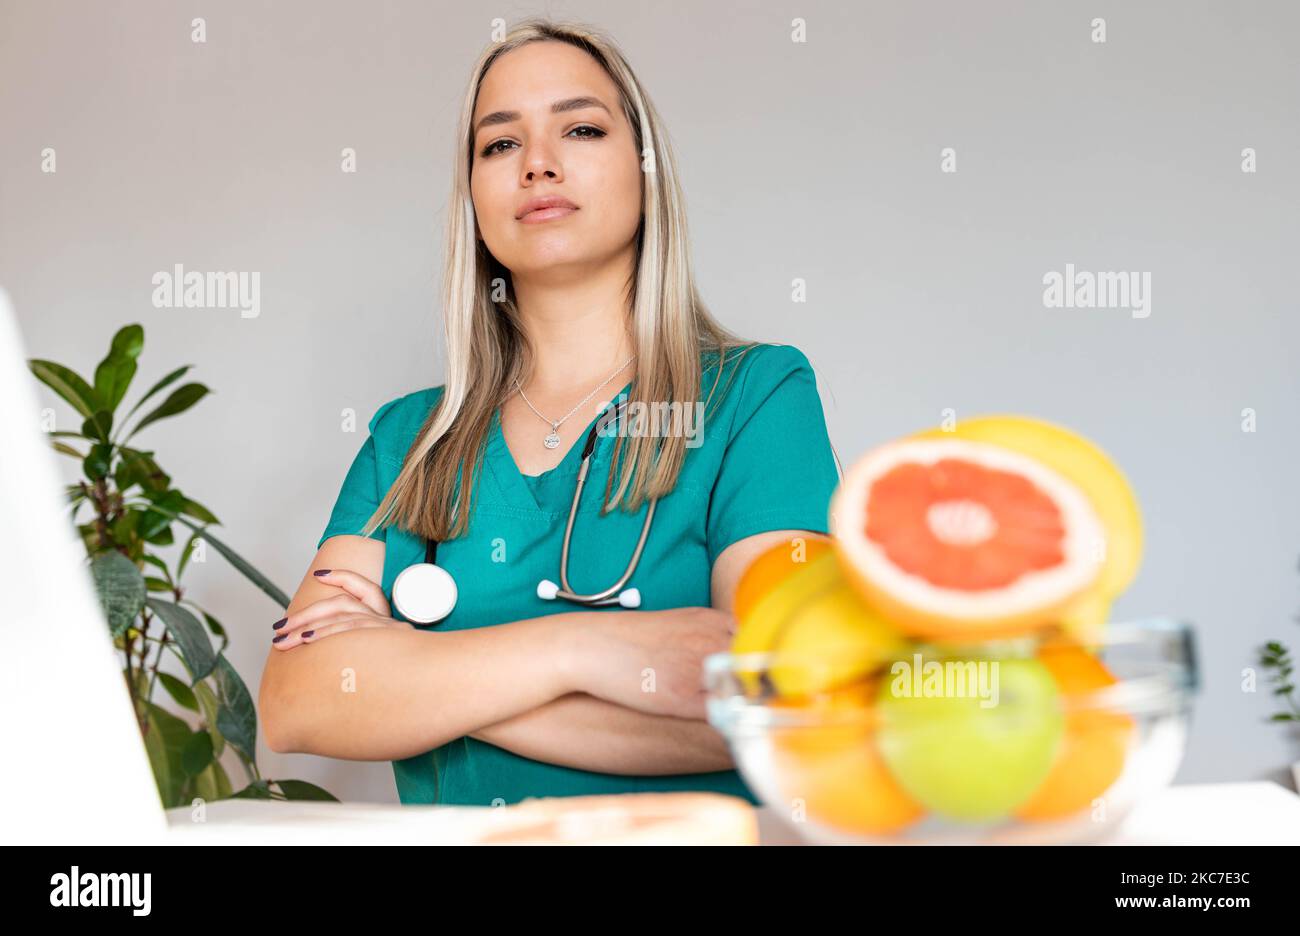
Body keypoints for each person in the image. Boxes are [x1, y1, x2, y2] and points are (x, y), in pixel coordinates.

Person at [258, 17, 839, 807]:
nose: (538, 163)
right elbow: (297, 702)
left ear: (645, 168)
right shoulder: (406, 441)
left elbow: (780, 708)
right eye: (499, 144)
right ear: (473, 192)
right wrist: (584, 649)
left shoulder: (756, 398)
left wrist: (416, 672)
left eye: (581, 128)